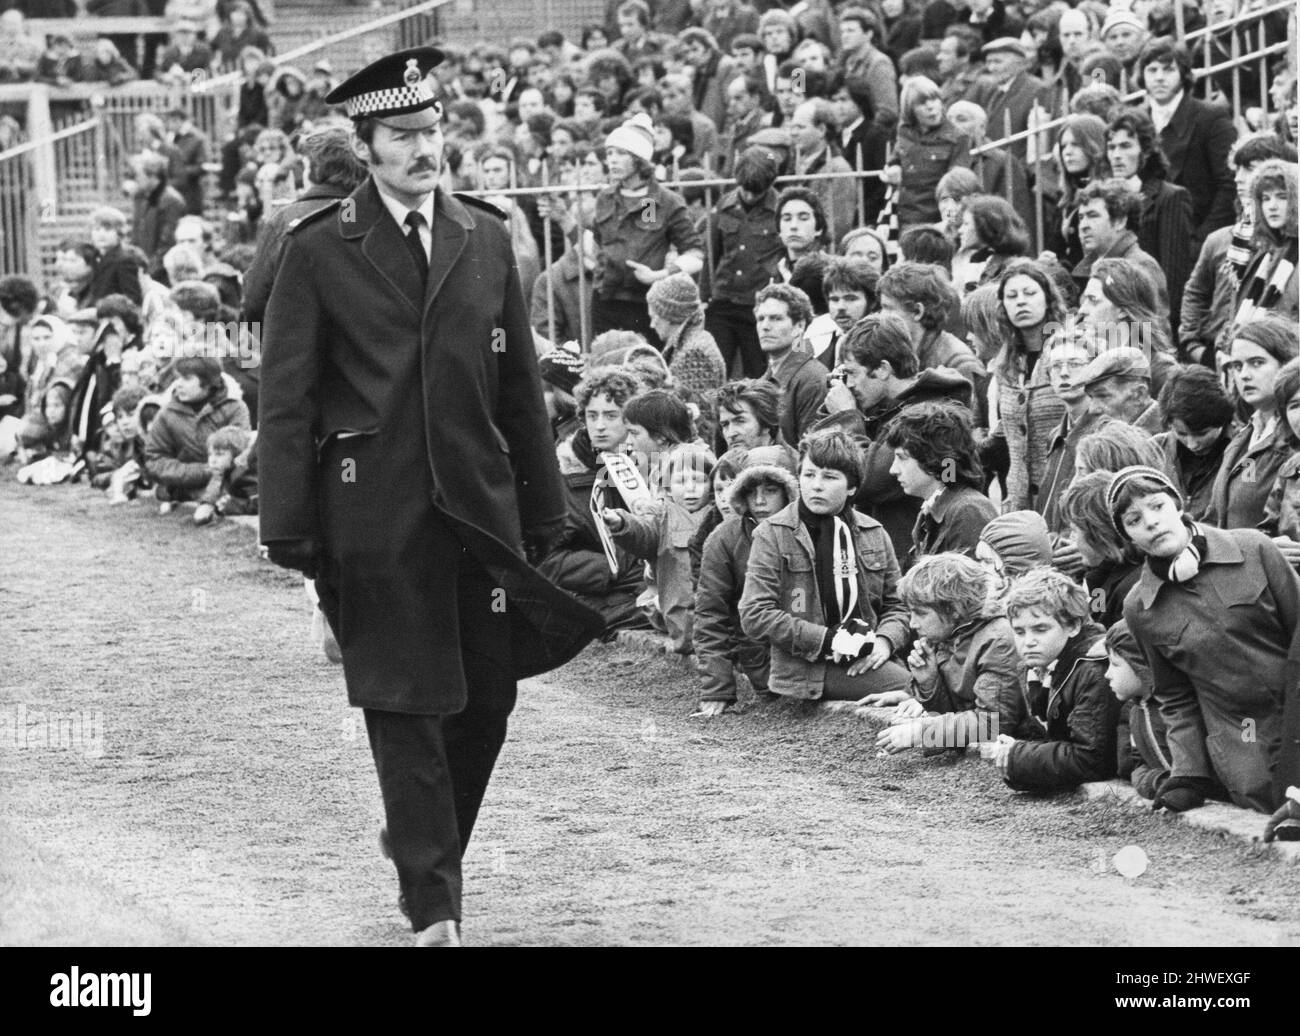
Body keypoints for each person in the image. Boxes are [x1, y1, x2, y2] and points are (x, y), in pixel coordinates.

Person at [257, 49, 603, 948]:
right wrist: (288, 527)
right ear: (365, 147)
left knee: (485, 700)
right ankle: (434, 905)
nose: (424, 149)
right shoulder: (316, 247)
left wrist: (541, 508)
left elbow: (520, 387)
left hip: (478, 511)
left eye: (432, 132)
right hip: (371, 513)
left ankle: (422, 841)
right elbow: (286, 395)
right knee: (407, 702)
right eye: (403, 136)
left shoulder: (485, 234)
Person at [1114, 464, 1300, 814]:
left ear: (1178, 504)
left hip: (1297, 704)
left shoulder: (1254, 548)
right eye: (1134, 520)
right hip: (1243, 730)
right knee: (1267, 800)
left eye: (1157, 506)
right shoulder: (1140, 606)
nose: (1151, 522)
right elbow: (1174, 696)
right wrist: (1188, 774)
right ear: (1128, 537)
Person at [740, 427, 913, 702]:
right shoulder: (773, 532)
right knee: (921, 691)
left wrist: (885, 641)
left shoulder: (874, 532)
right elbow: (754, 613)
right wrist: (830, 640)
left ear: (852, 486)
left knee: (933, 684)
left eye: (829, 477)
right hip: (809, 668)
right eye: (808, 475)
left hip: (867, 655)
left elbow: (899, 603)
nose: (816, 485)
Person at [819, 312, 973, 562]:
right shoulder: (886, 409)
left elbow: (865, 480)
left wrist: (847, 416)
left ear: (882, 369)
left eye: (853, 373)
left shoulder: (927, 416)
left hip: (916, 561)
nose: (850, 384)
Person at [873, 552, 1021, 753]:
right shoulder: (950, 634)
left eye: (921, 613)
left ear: (954, 609)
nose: (912, 623)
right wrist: (929, 683)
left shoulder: (998, 641)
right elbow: (954, 713)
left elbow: (993, 724)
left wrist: (922, 733)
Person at [987, 567, 1116, 794]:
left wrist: (1018, 756)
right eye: (1019, 631)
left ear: (1073, 626)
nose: (1029, 642)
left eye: (1040, 629)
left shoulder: (1093, 670)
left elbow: (1092, 759)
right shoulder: (1034, 667)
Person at [694, 444, 799, 716]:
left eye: (771, 491)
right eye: (752, 491)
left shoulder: (816, 528)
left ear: (789, 492)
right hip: (763, 662)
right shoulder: (723, 538)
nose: (760, 501)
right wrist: (717, 689)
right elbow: (709, 615)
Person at [1180, 133, 1298, 368]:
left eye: (1281, 197)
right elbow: (1196, 293)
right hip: (1229, 357)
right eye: (1265, 198)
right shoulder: (1243, 247)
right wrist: (1194, 345)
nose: (1240, 179)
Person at [590, 112, 704, 345]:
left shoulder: (665, 201)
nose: (612, 160)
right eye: (609, 153)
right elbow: (595, 241)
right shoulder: (605, 197)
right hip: (605, 300)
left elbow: (695, 253)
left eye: (621, 153)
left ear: (639, 159)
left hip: (645, 306)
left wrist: (660, 275)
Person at [604, 427, 715, 654]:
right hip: (681, 612)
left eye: (699, 480)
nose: (690, 488)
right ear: (668, 485)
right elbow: (643, 532)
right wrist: (622, 523)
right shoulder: (662, 516)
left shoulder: (719, 515)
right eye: (682, 481)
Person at [1137, 37, 1236, 249]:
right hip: (1149, 244)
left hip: (1197, 241)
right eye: (1152, 70)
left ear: (1183, 74)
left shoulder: (1211, 118)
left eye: (1168, 69)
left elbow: (1229, 184)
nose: (1160, 77)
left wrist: (1200, 241)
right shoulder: (1137, 122)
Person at [1104, 108, 1196, 333]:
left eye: (1126, 146)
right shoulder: (1104, 201)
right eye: (1111, 147)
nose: (1116, 155)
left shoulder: (1170, 197)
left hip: (1153, 325)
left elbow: (1173, 279)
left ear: (1146, 151)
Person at [989, 258, 1068, 511]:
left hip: (1062, 493)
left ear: (1047, 299)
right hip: (1019, 500)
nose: (1020, 301)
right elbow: (1004, 433)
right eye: (1011, 296)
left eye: (1030, 293)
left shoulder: (1070, 351)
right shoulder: (1006, 363)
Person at [1210, 317, 1299, 531]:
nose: (1244, 375)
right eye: (1237, 366)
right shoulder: (1244, 434)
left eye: (1257, 363)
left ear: (1287, 363)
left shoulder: (1294, 437)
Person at [885, 400, 996, 569]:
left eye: (902, 457)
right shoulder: (939, 506)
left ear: (932, 456)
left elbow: (968, 590)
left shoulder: (967, 512)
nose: (893, 470)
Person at [705, 147, 783, 379]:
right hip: (724, 301)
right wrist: (705, 296)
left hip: (758, 304)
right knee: (715, 371)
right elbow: (712, 252)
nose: (749, 197)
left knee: (758, 375)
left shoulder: (779, 209)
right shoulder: (723, 206)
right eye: (745, 190)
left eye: (755, 192)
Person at [144, 355, 250, 508]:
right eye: (177, 378)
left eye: (186, 379)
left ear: (208, 382)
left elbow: (242, 454)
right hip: (183, 485)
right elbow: (155, 460)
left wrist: (219, 470)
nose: (178, 385)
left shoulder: (235, 408)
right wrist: (203, 471)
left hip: (228, 484)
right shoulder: (167, 414)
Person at [1108, 618, 1186, 802]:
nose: (1107, 673)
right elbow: (1136, 766)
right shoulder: (1135, 712)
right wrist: (1157, 782)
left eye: (1115, 664)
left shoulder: (1182, 710)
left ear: (1143, 663)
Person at [1070, 178, 1169, 321]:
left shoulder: (1141, 266)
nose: (1083, 225)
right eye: (1081, 217)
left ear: (1120, 221)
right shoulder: (1092, 265)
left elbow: (1154, 333)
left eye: (1092, 216)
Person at [1151, 366, 1237, 523]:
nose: (1192, 445)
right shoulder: (1153, 451)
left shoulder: (1244, 452)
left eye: (1202, 434)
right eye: (1181, 434)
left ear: (1222, 421)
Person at [887, 75, 972, 232]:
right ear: (910, 110)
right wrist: (893, 168)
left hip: (937, 218)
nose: (931, 106)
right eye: (922, 103)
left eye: (934, 99)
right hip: (906, 217)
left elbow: (955, 185)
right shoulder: (904, 131)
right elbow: (895, 158)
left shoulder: (957, 137)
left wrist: (950, 223)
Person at [1060, 470, 1141, 631]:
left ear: (1098, 534)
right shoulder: (1100, 575)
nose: (1071, 539)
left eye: (1075, 530)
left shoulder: (1133, 590)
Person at [754, 282, 828, 447]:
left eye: (776, 318)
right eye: (760, 319)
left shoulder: (813, 380)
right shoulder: (763, 381)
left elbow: (812, 451)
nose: (765, 326)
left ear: (800, 325)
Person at [1230, 159, 1299, 337]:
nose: (1272, 206)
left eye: (1282, 197)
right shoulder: (1263, 255)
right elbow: (1233, 313)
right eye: (1265, 199)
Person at [646, 273, 726, 396]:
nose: (652, 324)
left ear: (668, 315)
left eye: (653, 317)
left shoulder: (695, 353)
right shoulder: (690, 342)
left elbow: (696, 409)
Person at [1046, 113, 1108, 272]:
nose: (1067, 152)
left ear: (1094, 146)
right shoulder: (1064, 199)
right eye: (1063, 146)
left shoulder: (1108, 194)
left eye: (1075, 144)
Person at [976, 508, 1052, 601]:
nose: (979, 569)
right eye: (980, 560)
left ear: (1016, 568)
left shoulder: (1032, 612)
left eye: (988, 561)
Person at [193, 425, 258, 525]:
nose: (212, 460)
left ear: (236, 454)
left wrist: (232, 506)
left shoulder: (245, 475)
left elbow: (259, 504)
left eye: (219, 454)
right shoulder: (226, 471)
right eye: (210, 454)